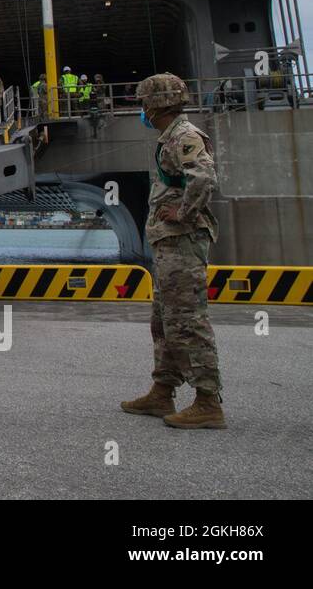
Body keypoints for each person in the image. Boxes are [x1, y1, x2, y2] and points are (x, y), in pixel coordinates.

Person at [120, 72, 225, 429]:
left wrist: (182, 213)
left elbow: (205, 178)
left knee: (188, 321)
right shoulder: (171, 136)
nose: (142, 110)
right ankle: (162, 391)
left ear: (156, 104)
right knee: (164, 320)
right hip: (169, 243)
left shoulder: (184, 136)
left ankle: (208, 401)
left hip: (182, 240)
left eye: (144, 103)